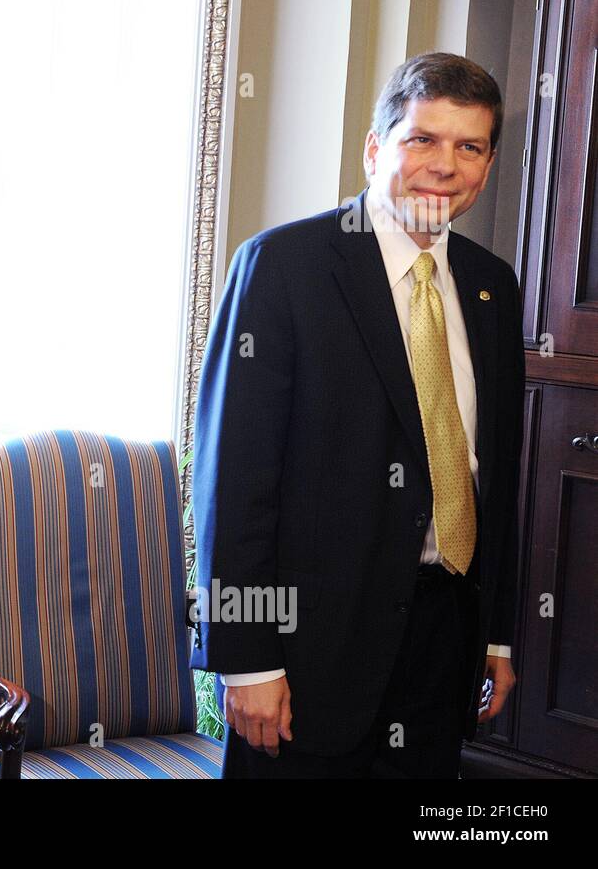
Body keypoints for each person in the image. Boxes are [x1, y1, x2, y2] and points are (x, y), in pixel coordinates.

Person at [190, 52, 524, 778]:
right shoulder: (283, 267)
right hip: (311, 650)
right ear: (375, 149)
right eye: (422, 139)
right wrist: (246, 659)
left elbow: (495, 477)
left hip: (443, 640)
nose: (445, 165)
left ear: (488, 164)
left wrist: (496, 635)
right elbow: (234, 479)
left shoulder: (493, 287)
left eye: (469, 147)